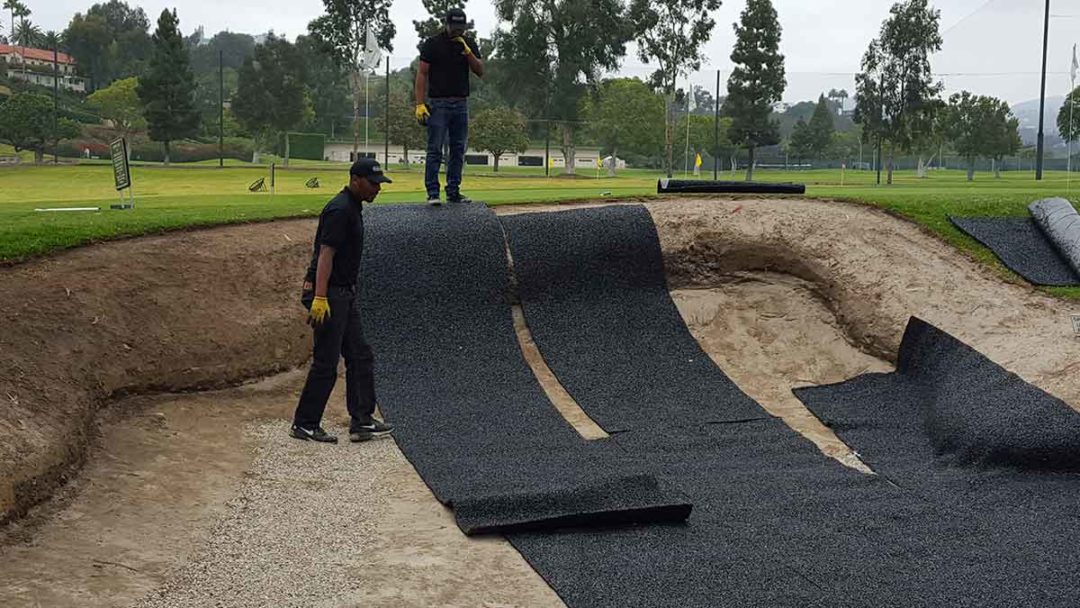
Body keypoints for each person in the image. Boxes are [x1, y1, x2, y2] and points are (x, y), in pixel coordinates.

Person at [291, 158, 394, 444]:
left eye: (379, 184)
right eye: (373, 184)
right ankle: (305, 424)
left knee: (360, 355)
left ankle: (361, 421)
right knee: (326, 361)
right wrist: (320, 297)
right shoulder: (340, 209)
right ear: (356, 180)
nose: (377, 189)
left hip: (343, 293)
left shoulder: (353, 206)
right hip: (329, 293)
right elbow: (326, 254)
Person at [415, 7, 484, 206]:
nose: (457, 31)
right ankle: (433, 192)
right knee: (435, 149)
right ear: (447, 24)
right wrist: (419, 103)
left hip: (461, 103)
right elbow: (422, 74)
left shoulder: (467, 43)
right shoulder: (433, 44)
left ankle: (453, 191)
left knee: (457, 149)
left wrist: (468, 52)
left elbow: (479, 70)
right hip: (439, 104)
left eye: (460, 28)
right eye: (454, 27)